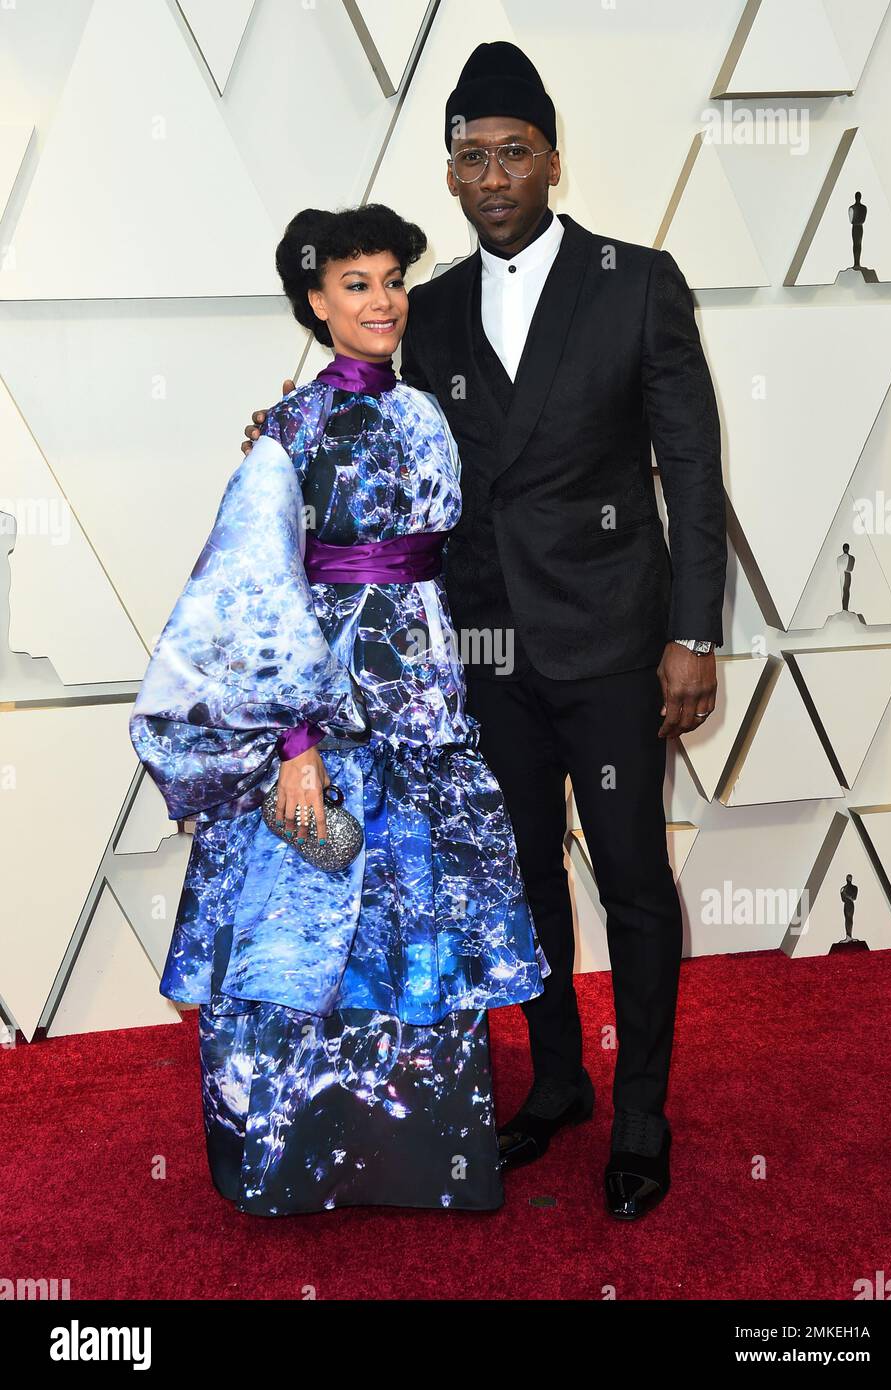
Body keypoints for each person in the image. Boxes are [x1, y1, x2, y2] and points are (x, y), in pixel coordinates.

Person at [245, 45, 727, 1221]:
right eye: (471, 156)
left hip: (612, 642)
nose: (494, 173)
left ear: (552, 161)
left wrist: (693, 634)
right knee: (515, 880)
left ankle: (643, 1115)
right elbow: (385, 428)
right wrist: (279, 430)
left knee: (630, 881)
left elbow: (691, 468)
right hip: (482, 658)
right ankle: (557, 1079)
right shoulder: (432, 307)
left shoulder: (637, 282)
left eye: (514, 152)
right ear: (450, 176)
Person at [129, 202, 548, 1217]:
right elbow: (254, 595)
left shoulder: (421, 414)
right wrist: (294, 742)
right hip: (324, 719)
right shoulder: (286, 432)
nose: (382, 301)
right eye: (354, 284)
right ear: (313, 302)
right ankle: (285, 1155)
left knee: (409, 924)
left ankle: (413, 1154)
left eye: (392, 280)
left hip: (419, 709)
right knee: (297, 932)